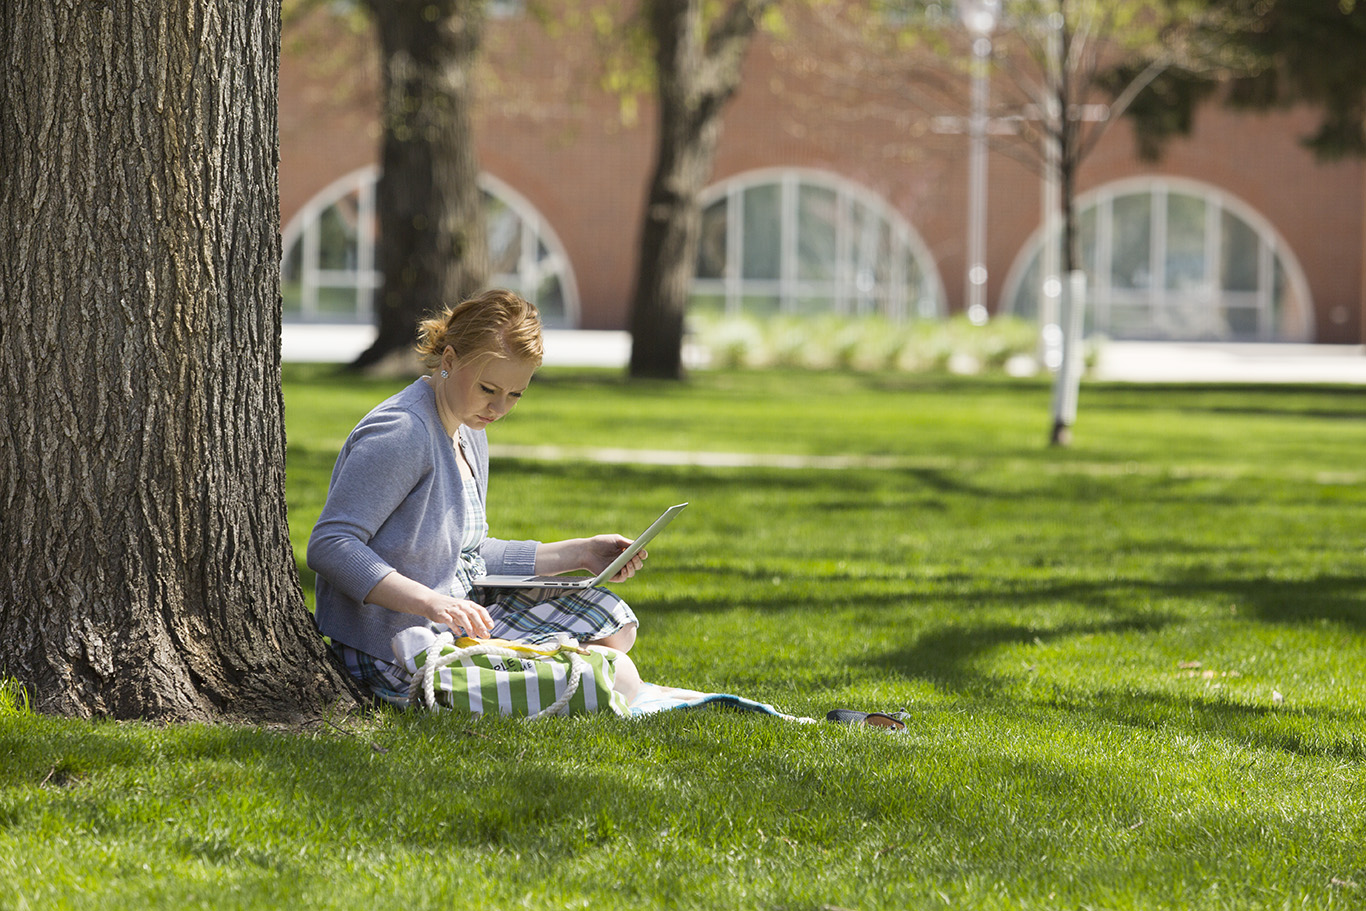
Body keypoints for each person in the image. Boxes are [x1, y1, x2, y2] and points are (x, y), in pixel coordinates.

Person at [307, 289, 643, 705]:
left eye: (515, 394)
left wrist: (579, 553)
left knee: (617, 625)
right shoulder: (403, 433)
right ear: (448, 361)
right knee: (619, 678)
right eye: (489, 388)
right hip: (390, 644)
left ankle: (518, 661)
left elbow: (469, 551)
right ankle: (494, 667)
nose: (499, 407)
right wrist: (432, 603)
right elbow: (330, 546)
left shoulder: (468, 429)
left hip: (458, 617)